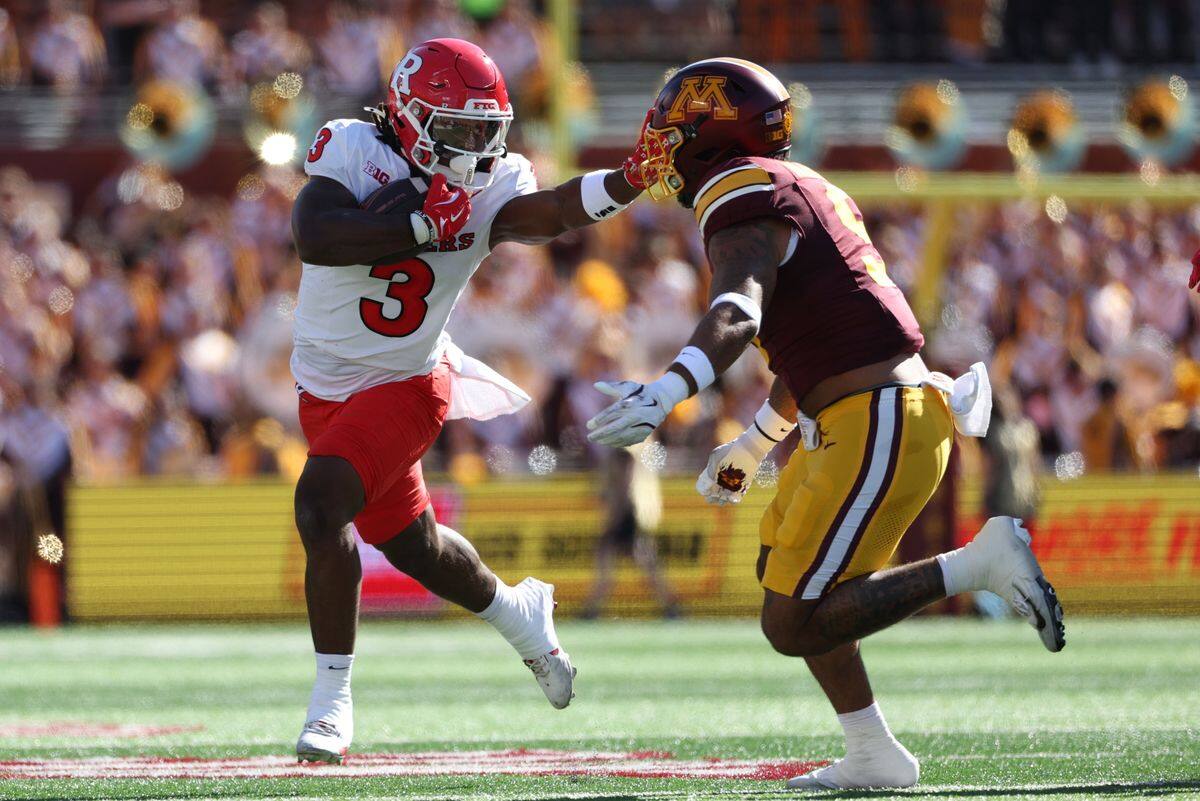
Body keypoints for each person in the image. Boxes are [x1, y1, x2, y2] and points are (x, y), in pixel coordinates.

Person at [588, 57, 1066, 790]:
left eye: (673, 130)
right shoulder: (802, 187)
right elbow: (818, 339)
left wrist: (669, 389)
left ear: (711, 138)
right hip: (857, 412)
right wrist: (755, 441)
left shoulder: (738, 193)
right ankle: (873, 751)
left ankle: (979, 563)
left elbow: (739, 309)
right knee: (781, 573)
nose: (660, 147)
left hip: (878, 417)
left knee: (793, 619)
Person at [288, 38, 645, 763]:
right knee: (414, 545)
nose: (475, 145)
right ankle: (521, 614)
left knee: (321, 504)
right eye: (458, 128)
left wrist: (629, 180)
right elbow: (315, 233)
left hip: (410, 380)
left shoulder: (490, 182)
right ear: (410, 115)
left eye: (487, 128)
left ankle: (330, 702)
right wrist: (419, 226)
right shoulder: (355, 148)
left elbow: (545, 213)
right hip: (323, 386)